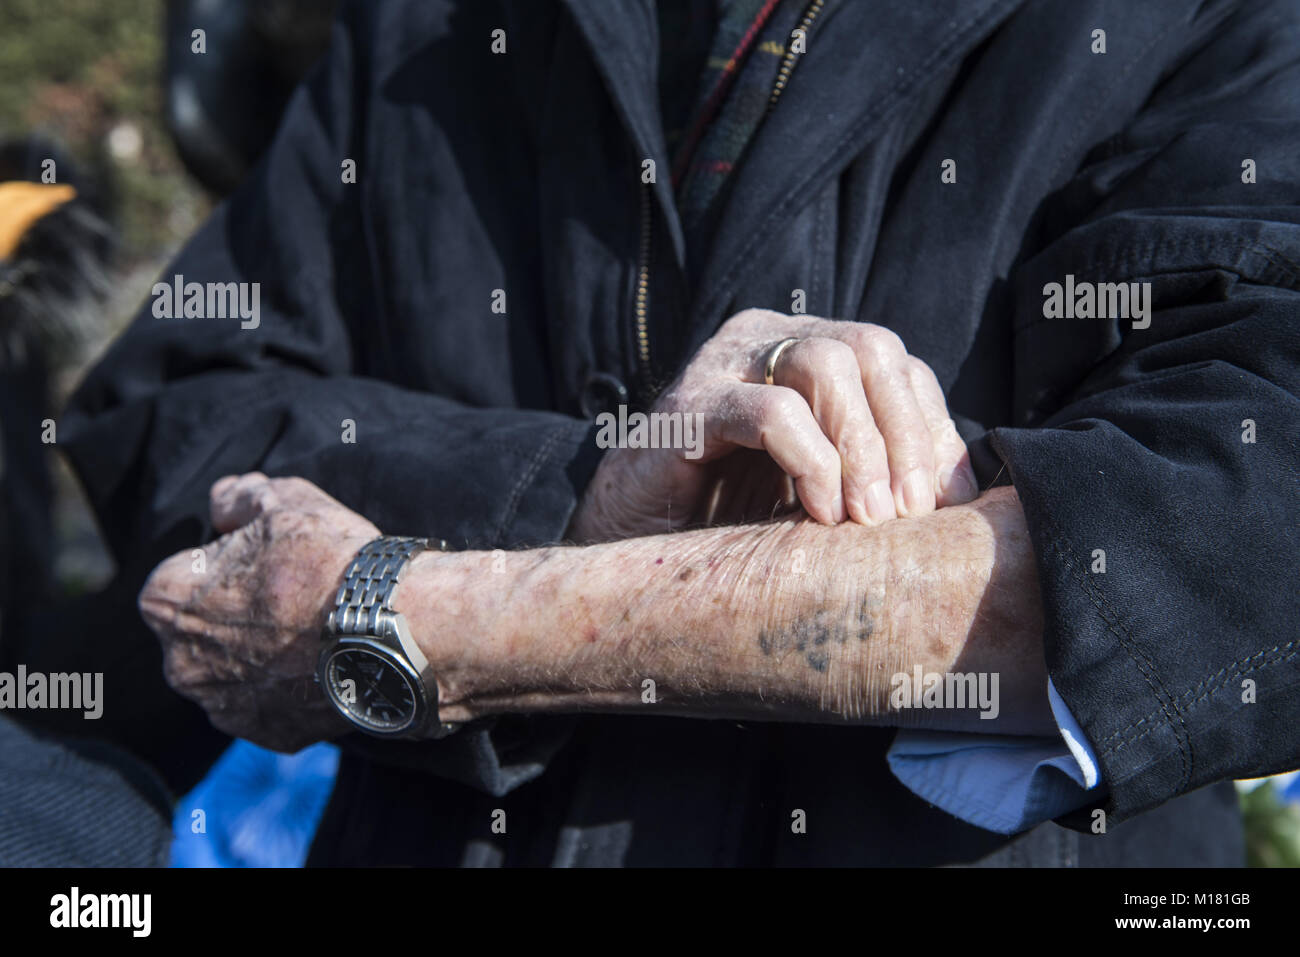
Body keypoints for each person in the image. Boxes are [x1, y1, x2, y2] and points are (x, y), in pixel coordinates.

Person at [62, 0, 1298, 866]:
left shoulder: (1192, 20)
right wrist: (579, 495)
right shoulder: (428, 29)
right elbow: (172, 405)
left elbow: (1250, 530)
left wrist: (422, 617)